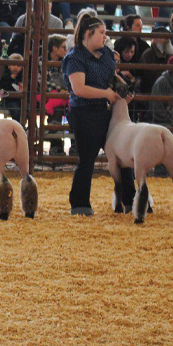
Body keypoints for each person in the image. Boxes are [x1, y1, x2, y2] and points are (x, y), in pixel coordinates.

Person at [62, 15, 135, 215]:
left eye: (105, 33)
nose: (105, 36)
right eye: (101, 33)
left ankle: (131, 201)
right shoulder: (75, 57)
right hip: (83, 111)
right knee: (87, 158)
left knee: (123, 156)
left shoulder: (106, 55)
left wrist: (123, 90)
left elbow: (112, 77)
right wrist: (107, 94)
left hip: (106, 112)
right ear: (88, 34)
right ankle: (80, 204)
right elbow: (79, 89)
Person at [0, 54, 24, 121]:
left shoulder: (23, 77)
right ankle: (17, 125)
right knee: (15, 110)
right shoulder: (5, 77)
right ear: (9, 66)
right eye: (13, 65)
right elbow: (2, 87)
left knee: (28, 108)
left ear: (22, 67)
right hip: (9, 100)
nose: (15, 67)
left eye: (18, 66)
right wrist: (11, 79)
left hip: (21, 100)